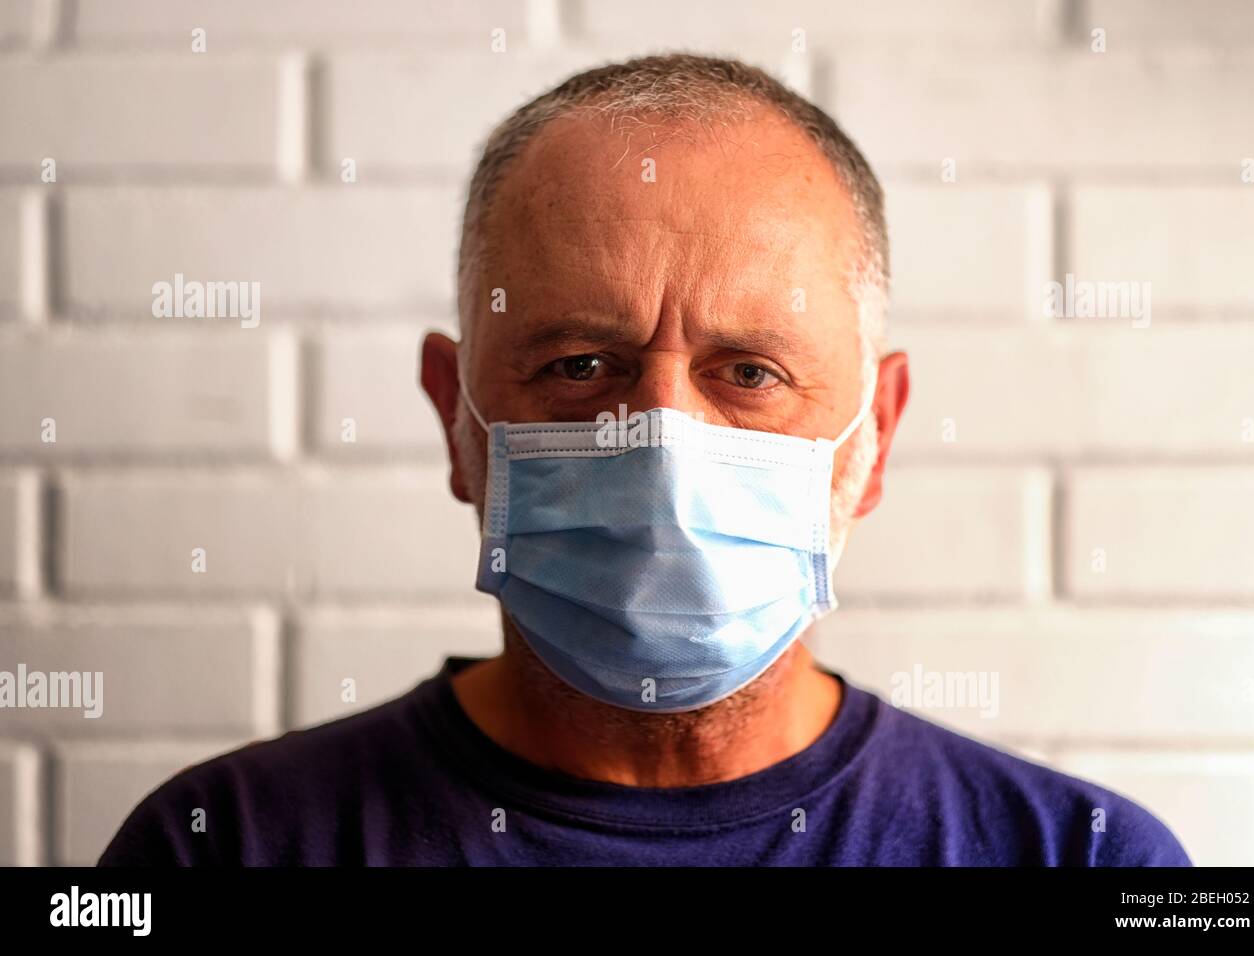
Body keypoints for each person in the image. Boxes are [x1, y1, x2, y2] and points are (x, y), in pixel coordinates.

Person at [100, 53, 1190, 867]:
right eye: (580, 365)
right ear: (456, 417)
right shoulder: (221, 846)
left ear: (874, 438)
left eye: (750, 373)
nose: (658, 438)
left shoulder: (1080, 858)